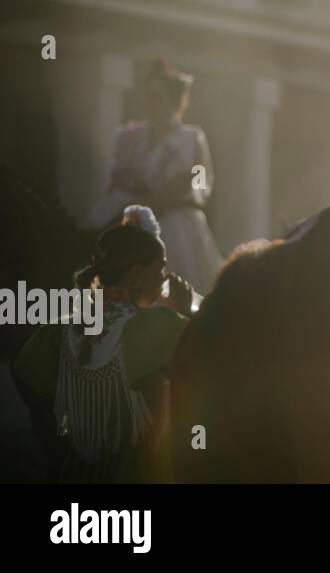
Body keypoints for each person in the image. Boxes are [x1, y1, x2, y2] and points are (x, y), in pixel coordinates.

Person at [13, 206, 197, 482]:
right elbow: (207, 355)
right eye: (162, 267)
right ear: (136, 275)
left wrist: (55, 444)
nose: (165, 277)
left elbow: (24, 374)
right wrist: (182, 311)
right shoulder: (157, 326)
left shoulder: (62, 328)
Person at [92, 60, 224, 295]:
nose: (151, 104)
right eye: (148, 96)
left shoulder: (190, 139)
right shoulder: (134, 137)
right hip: (135, 217)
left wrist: (159, 200)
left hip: (176, 222)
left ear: (174, 101)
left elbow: (197, 183)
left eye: (157, 96)